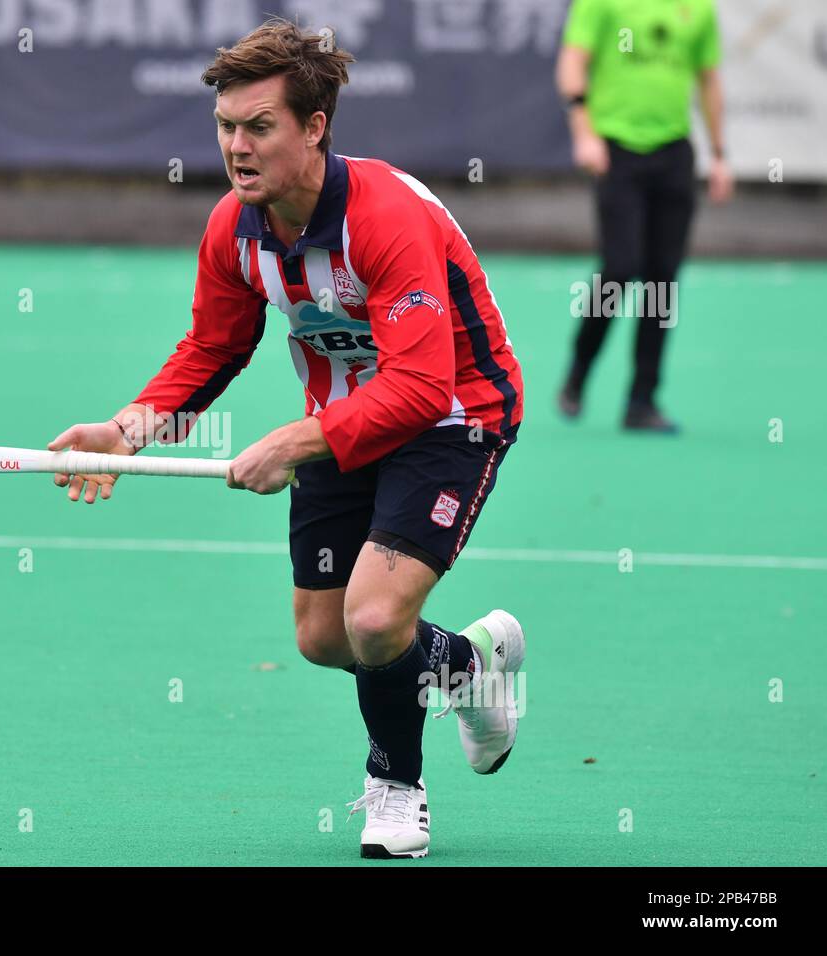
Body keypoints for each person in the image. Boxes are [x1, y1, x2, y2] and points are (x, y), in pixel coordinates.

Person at [46, 21, 526, 860]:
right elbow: (211, 348)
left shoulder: (386, 219)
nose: (238, 145)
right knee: (323, 637)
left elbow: (421, 387)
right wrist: (127, 430)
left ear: (314, 127)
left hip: (454, 415)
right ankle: (466, 661)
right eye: (227, 126)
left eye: (259, 126)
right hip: (342, 426)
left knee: (375, 620)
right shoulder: (235, 227)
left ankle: (396, 789)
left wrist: (297, 442)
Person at [556, 0, 733, 432]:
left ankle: (642, 401)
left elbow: (708, 80)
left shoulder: (698, 9)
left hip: (674, 153)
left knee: (662, 280)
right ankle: (579, 370)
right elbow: (572, 63)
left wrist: (720, 154)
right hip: (616, 151)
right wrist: (585, 132)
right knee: (619, 268)